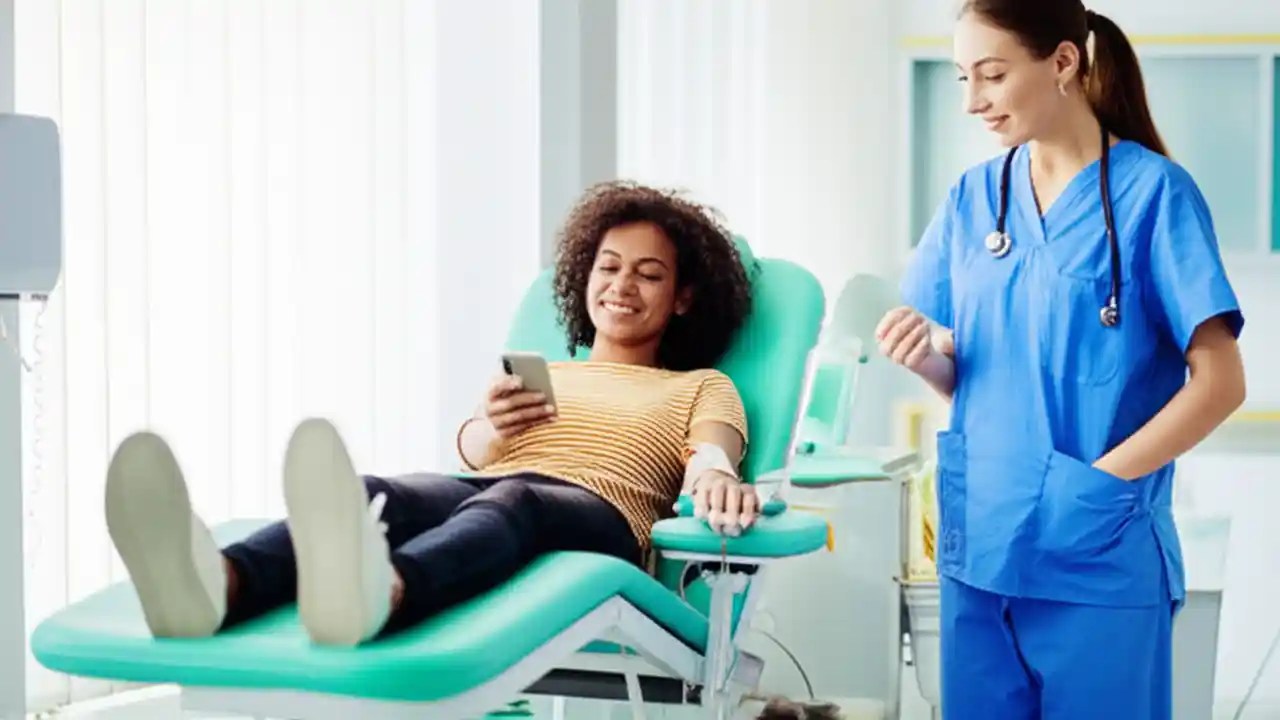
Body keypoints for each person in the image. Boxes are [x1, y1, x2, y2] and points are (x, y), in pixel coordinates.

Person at [104, 180, 761, 647]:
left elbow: (710, 454)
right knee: (372, 495)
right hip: (492, 489)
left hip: (604, 517)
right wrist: (492, 424)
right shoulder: (544, 373)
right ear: (584, 278)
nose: (621, 285)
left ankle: (385, 594)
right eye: (609, 266)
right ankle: (214, 583)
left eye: (648, 274)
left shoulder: (701, 385)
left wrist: (713, 476)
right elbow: (474, 453)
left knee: (514, 501)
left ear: (681, 299)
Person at [878, 2, 1247, 718]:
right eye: (961, 77)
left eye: (992, 74)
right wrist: (927, 359)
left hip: (1096, 551)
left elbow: (1223, 383)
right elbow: (980, 369)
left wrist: (1096, 488)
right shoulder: (974, 198)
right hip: (982, 546)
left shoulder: (1153, 194)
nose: (972, 100)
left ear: (1063, 63)